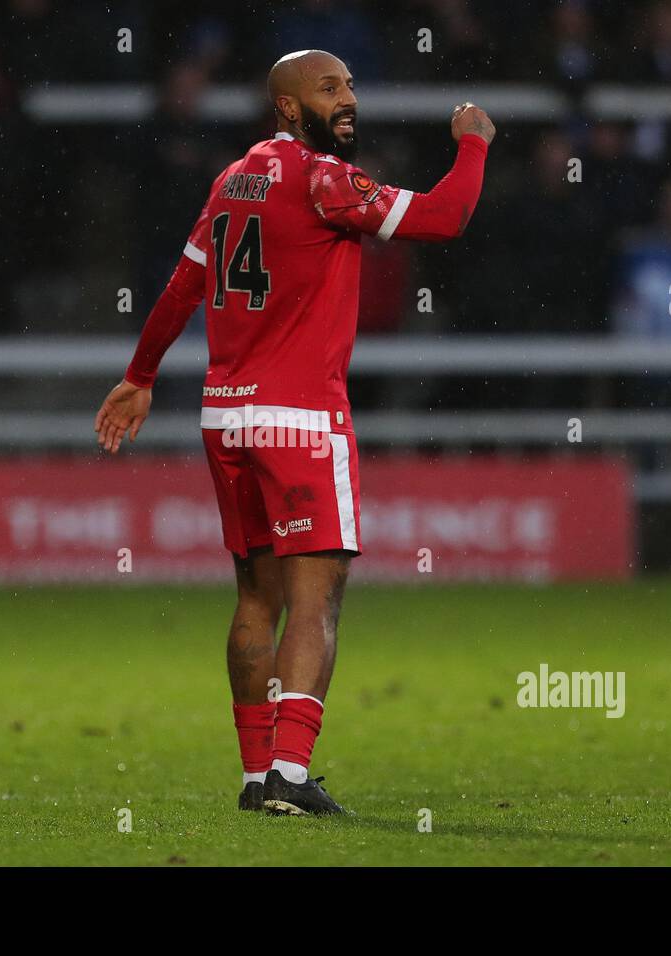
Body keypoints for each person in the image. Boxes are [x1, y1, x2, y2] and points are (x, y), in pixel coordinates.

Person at [94, 50, 494, 815]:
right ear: (287, 107)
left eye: (350, 84)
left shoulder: (229, 182)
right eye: (329, 89)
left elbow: (183, 286)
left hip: (227, 415)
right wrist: (473, 141)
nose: (348, 99)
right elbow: (447, 217)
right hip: (302, 418)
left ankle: (254, 776)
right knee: (317, 601)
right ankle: (288, 773)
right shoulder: (324, 181)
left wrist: (142, 375)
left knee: (256, 596)